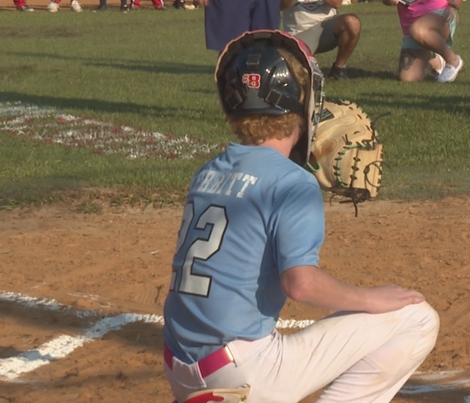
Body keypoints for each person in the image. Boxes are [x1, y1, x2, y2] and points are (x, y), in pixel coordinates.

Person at [162, 29, 438, 403]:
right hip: (245, 376)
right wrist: (370, 298)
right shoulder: (294, 183)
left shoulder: (208, 172)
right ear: (300, 103)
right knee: (418, 318)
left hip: (180, 370)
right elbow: (300, 284)